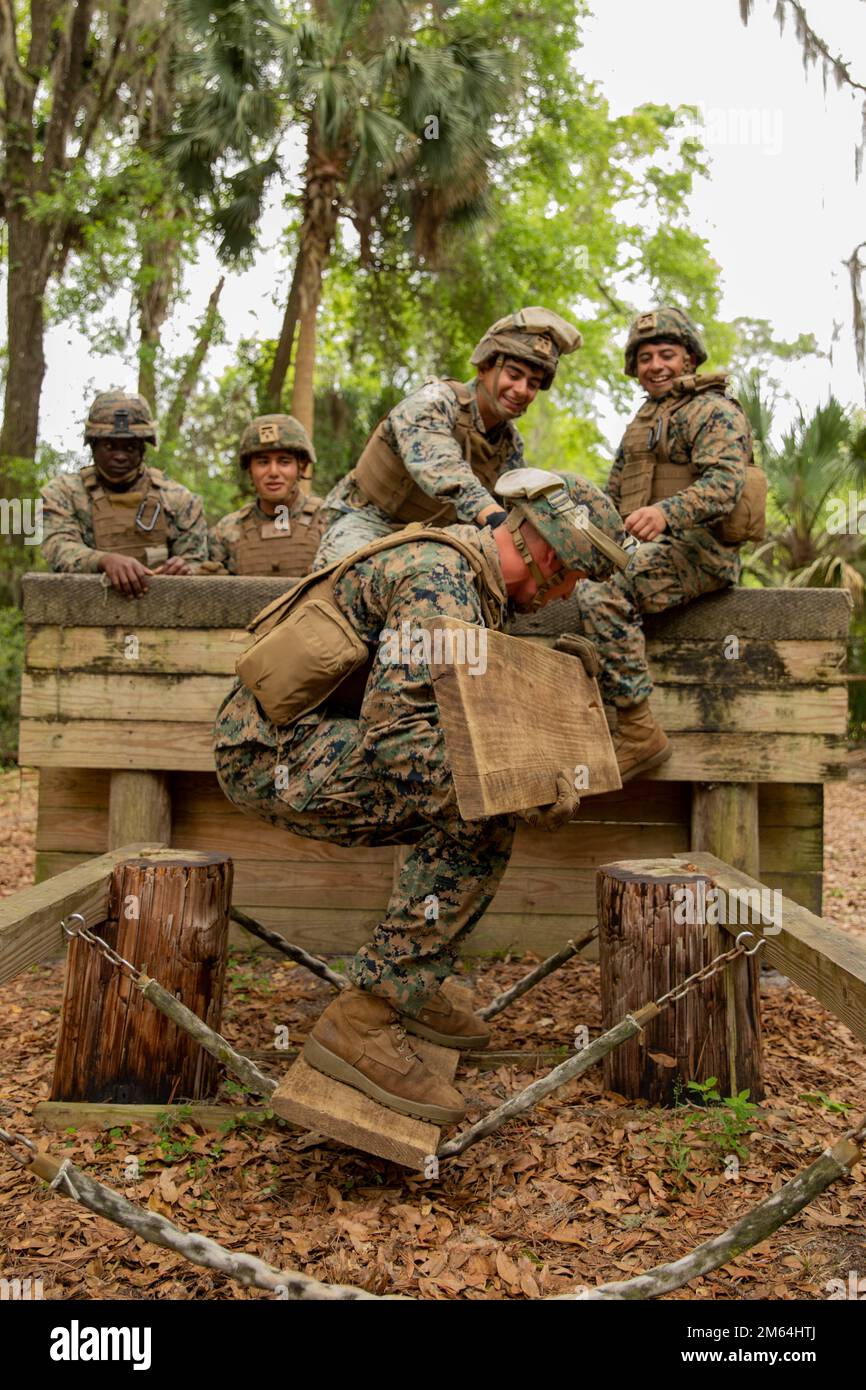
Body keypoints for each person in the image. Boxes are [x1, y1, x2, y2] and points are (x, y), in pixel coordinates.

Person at [214, 469, 628, 1124]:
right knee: (479, 817)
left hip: (316, 739)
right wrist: (516, 795)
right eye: (573, 577)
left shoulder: (473, 582)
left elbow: (459, 712)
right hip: (273, 756)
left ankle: (408, 980)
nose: (568, 593)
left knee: (477, 802)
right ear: (549, 554)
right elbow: (399, 743)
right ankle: (366, 1019)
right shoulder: (440, 577)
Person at [577, 306, 759, 782]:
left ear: (690, 359)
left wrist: (665, 513)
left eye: (667, 354)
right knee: (575, 577)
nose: (656, 365)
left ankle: (638, 730)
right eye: (645, 358)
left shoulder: (712, 409)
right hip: (652, 551)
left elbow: (725, 486)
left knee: (602, 591)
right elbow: (613, 496)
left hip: (704, 550)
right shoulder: (642, 421)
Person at [312, 306, 582, 569]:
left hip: (433, 540)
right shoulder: (435, 401)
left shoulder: (509, 444)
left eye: (533, 384)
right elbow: (440, 464)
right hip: (367, 521)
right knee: (355, 582)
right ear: (485, 367)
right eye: (514, 375)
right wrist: (490, 513)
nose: (522, 390)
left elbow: (517, 507)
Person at [40, 391, 208, 597]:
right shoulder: (63, 493)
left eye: (129, 447)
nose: (120, 456)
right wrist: (104, 561)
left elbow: (198, 560)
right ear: (93, 445)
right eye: (109, 446)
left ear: (143, 448)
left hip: (163, 608)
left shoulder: (178, 499)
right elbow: (57, 547)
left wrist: (186, 568)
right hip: (86, 609)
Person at [207, 414, 325, 575]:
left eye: (284, 462)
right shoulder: (226, 531)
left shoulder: (327, 522)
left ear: (301, 467)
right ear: (250, 469)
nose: (273, 472)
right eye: (263, 462)